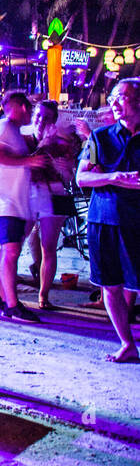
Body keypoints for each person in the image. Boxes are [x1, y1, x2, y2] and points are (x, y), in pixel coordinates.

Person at [78, 78, 140, 362]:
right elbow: (82, 177)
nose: (114, 102)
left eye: (122, 97)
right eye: (112, 97)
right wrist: (113, 177)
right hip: (103, 221)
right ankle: (127, 343)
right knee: (110, 285)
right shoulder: (98, 138)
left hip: (136, 222)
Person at [0, 90, 46, 322]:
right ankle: (12, 304)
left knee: (10, 251)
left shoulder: (13, 131)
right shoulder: (4, 127)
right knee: (11, 251)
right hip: (4, 201)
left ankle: (3, 298)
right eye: (29, 109)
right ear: (22, 107)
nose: (30, 113)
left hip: (13, 201)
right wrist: (30, 161)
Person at [27, 100, 79, 310]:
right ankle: (32, 274)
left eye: (46, 118)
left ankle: (43, 295)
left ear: (54, 121)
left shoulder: (61, 143)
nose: (41, 121)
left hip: (53, 196)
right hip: (29, 195)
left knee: (49, 246)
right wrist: (41, 146)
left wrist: (64, 168)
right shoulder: (24, 138)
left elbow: (67, 176)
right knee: (23, 242)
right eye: (38, 116)